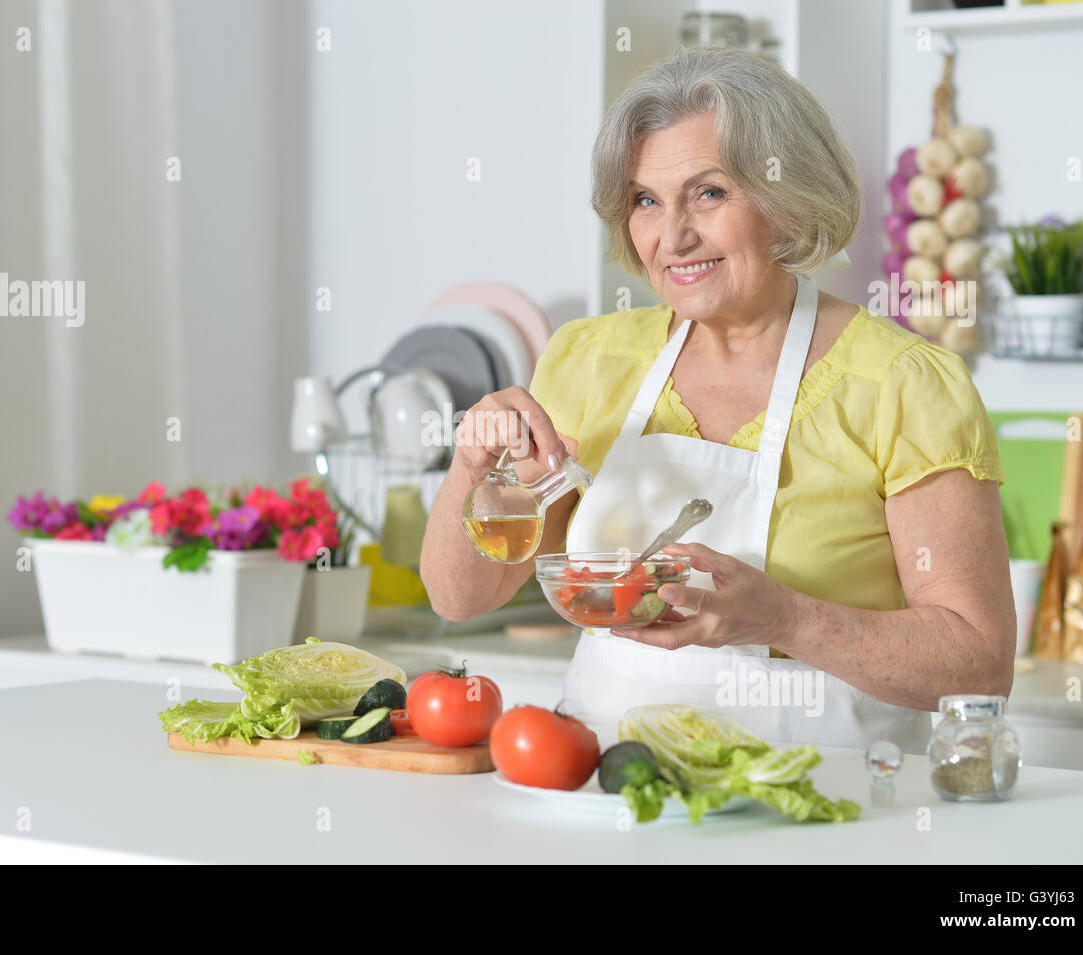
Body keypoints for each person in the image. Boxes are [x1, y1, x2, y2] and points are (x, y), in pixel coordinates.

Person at [419, 47, 1014, 753]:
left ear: (786, 199)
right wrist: (473, 470)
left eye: (709, 193)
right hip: (604, 784)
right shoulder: (588, 360)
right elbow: (461, 598)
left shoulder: (906, 385)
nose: (672, 237)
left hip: (824, 806)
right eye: (645, 200)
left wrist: (783, 617)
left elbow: (978, 663)